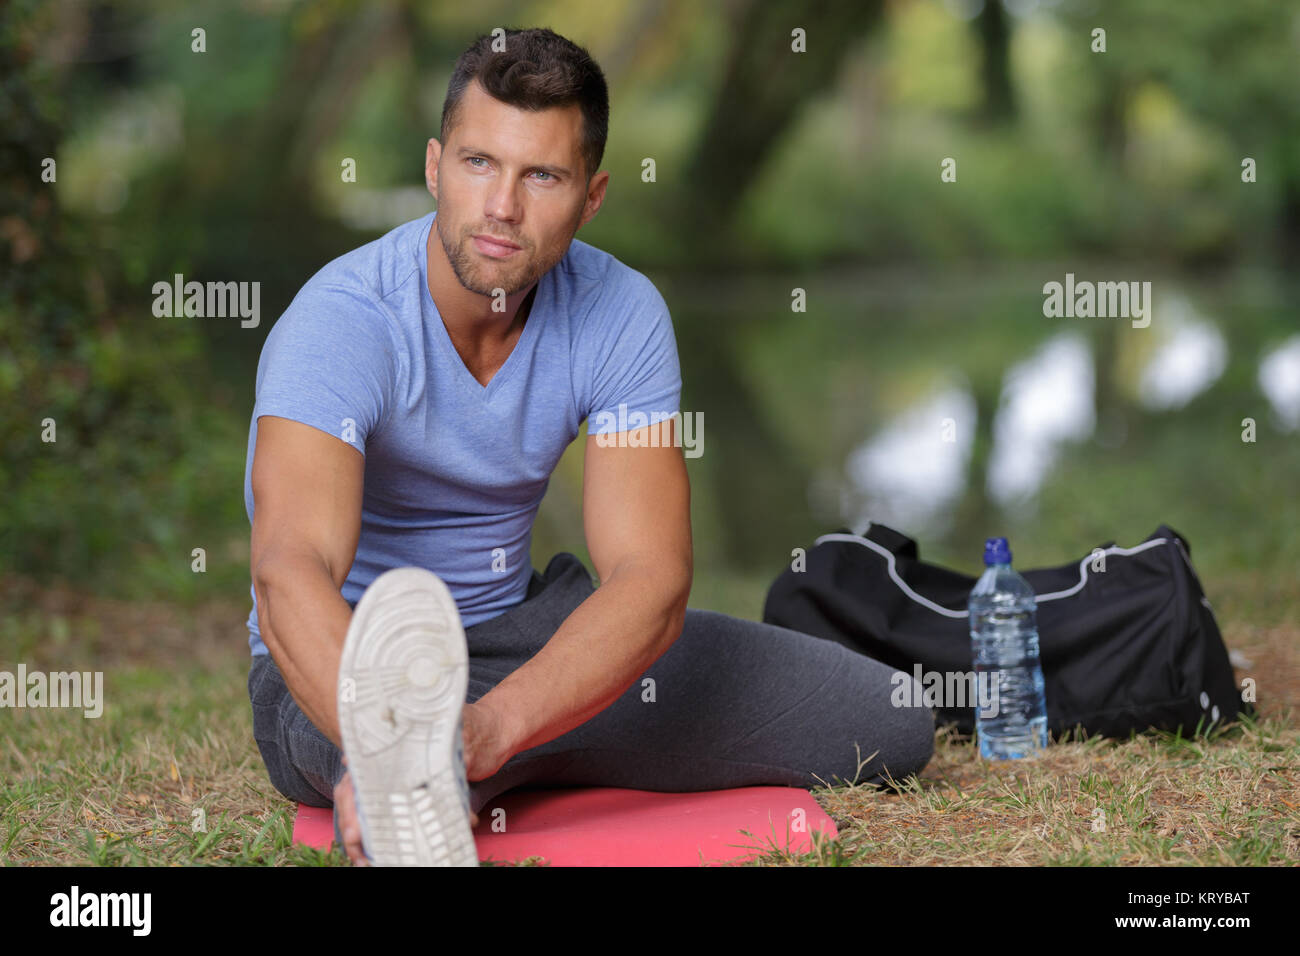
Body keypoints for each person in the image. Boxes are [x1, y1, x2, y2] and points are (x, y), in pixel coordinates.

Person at [244, 26, 934, 866]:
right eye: (477, 163)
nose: (502, 207)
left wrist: (495, 724)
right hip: (345, 668)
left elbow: (650, 578)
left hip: (521, 636)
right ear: (434, 167)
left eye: (542, 175)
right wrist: (386, 735)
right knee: (388, 741)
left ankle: (476, 761)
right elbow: (289, 572)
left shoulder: (621, 312)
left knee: (886, 714)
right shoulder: (342, 320)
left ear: (592, 195)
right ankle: (417, 770)